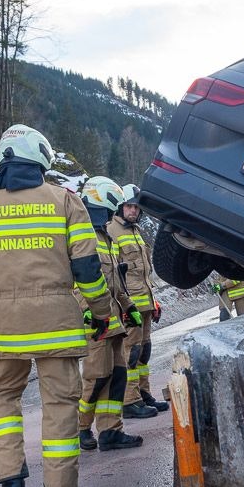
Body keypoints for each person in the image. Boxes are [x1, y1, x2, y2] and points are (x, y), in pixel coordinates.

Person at [0, 124, 115, 487]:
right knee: (59, 403)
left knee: (1, 396)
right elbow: (88, 269)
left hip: (4, 326)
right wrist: (101, 312)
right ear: (41, 156)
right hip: (57, 321)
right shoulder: (65, 201)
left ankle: (10, 478)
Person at [76, 177, 144, 451]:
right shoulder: (82, 236)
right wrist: (88, 313)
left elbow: (115, 282)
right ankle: (79, 428)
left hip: (114, 322)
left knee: (117, 376)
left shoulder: (106, 236)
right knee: (96, 377)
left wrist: (129, 307)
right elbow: (77, 282)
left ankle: (110, 431)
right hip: (96, 322)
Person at [109, 183, 169, 415]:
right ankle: (129, 400)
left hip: (144, 302)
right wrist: (124, 305)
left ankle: (143, 394)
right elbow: (114, 273)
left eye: (136, 207)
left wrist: (153, 301)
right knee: (130, 352)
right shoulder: (112, 231)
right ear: (120, 207)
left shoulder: (134, 231)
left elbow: (142, 273)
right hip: (130, 305)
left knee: (144, 351)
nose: (133, 211)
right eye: (129, 206)